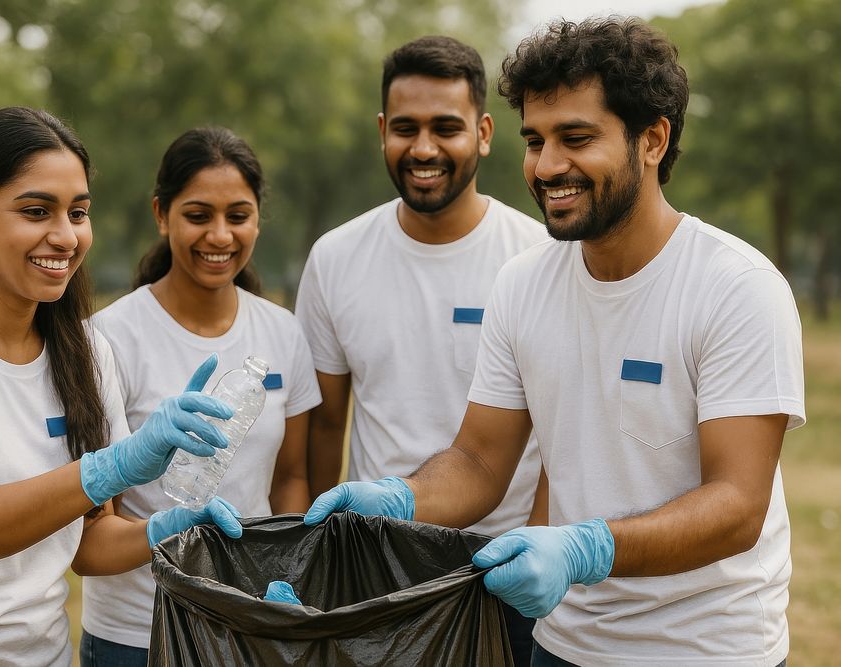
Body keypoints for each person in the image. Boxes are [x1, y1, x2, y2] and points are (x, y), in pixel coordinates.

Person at [305, 17, 805, 666]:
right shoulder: (521, 285)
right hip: (561, 644)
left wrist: (584, 548)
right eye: (535, 140)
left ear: (652, 139)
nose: (546, 166)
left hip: (706, 649)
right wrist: (399, 497)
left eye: (575, 138)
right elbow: (482, 464)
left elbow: (737, 505)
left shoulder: (736, 287)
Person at [0, 107, 243, 666]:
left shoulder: (87, 355)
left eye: (78, 212)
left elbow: (87, 544)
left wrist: (167, 530)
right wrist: (109, 468)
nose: (65, 236)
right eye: (36, 211)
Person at [294, 35, 546, 662]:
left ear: (484, 132)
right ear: (382, 130)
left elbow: (562, 434)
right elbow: (325, 424)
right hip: (376, 562)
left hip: (505, 564)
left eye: (446, 127)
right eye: (405, 128)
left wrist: (541, 545)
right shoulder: (335, 257)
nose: (424, 148)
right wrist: (322, 554)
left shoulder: (542, 257)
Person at [80, 126, 321, 664]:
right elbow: (91, 535)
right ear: (161, 214)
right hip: (139, 633)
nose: (219, 235)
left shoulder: (283, 332)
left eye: (238, 215)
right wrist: (166, 534)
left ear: (258, 217)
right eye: (197, 215)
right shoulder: (109, 338)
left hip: (251, 624)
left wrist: (285, 571)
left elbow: (291, 478)